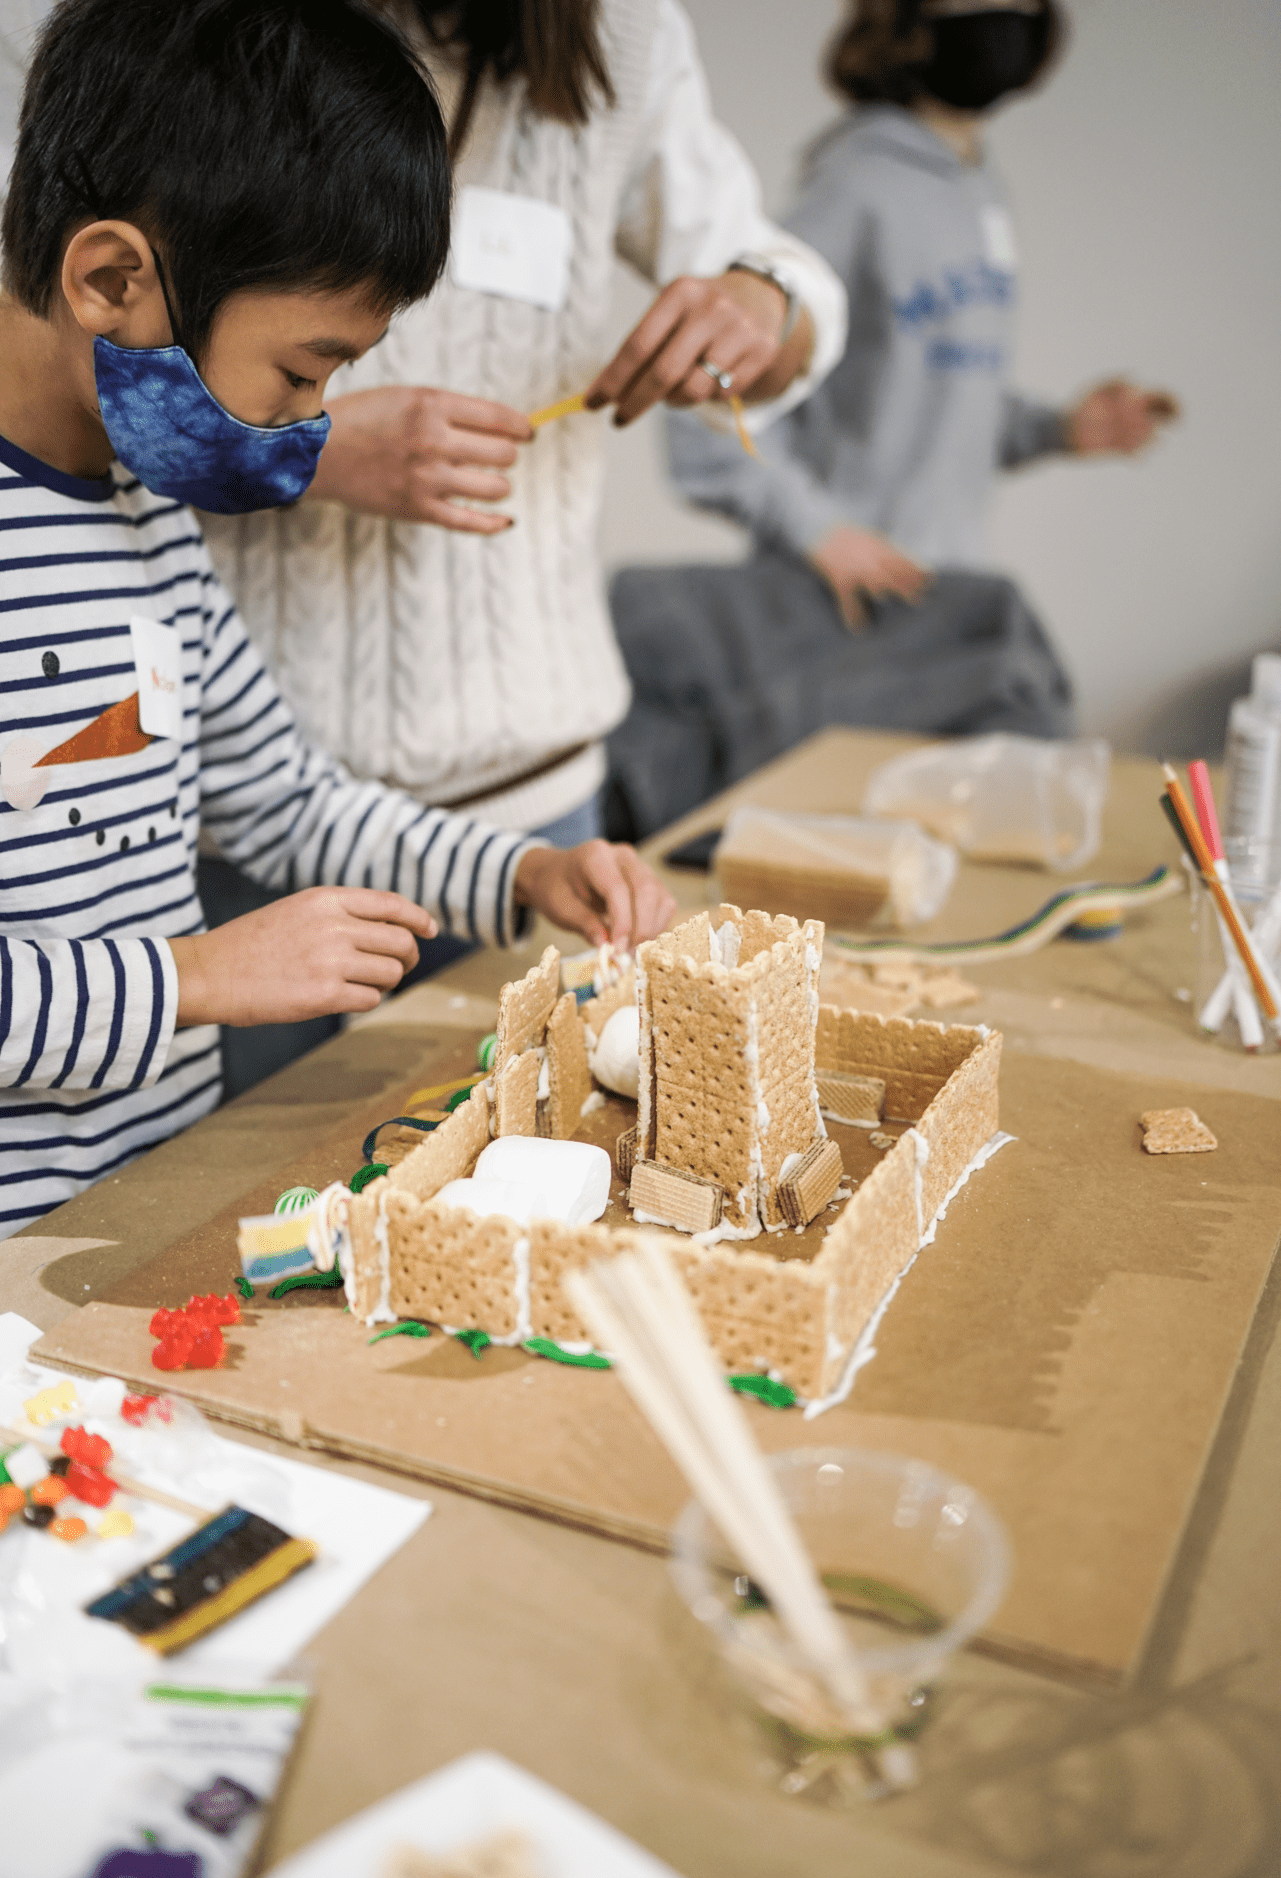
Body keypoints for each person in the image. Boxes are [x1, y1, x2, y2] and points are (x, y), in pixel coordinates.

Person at [0, 0, 674, 1238]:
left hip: (142, 1216)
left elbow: (291, 802)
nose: (315, 419)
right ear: (109, 278)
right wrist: (197, 977)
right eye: (304, 370)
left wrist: (524, 872)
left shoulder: (145, 514)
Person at [197, 0, 848, 846]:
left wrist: (762, 297)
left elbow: (792, 294)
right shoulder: (192, 31)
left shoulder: (629, 33)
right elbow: (53, 354)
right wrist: (294, 452)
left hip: (535, 809)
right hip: (245, 807)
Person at [606, 0, 1179, 839]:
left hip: (940, 600)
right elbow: (706, 395)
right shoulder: (855, 187)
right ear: (908, 21)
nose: (1003, 14)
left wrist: (1058, 429)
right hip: (840, 620)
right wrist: (820, 529)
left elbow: (930, 396)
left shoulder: (982, 194)